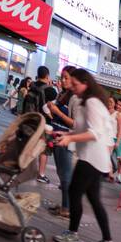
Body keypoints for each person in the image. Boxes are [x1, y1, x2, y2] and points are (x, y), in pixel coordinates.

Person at [51, 69, 117, 242]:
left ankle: (72, 232)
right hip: (93, 158)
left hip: (91, 158)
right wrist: (65, 134)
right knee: (94, 199)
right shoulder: (85, 102)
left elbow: (94, 133)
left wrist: (70, 139)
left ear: (86, 83)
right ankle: (107, 241)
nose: (72, 87)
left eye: (75, 83)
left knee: (74, 192)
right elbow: (82, 129)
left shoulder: (93, 102)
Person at [48, 68, 78, 218]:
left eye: (66, 78)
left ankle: (67, 208)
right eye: (62, 77)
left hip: (66, 139)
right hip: (56, 136)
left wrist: (57, 112)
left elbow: (75, 124)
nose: (63, 80)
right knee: (62, 174)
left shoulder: (75, 98)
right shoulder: (63, 95)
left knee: (66, 175)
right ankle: (65, 204)